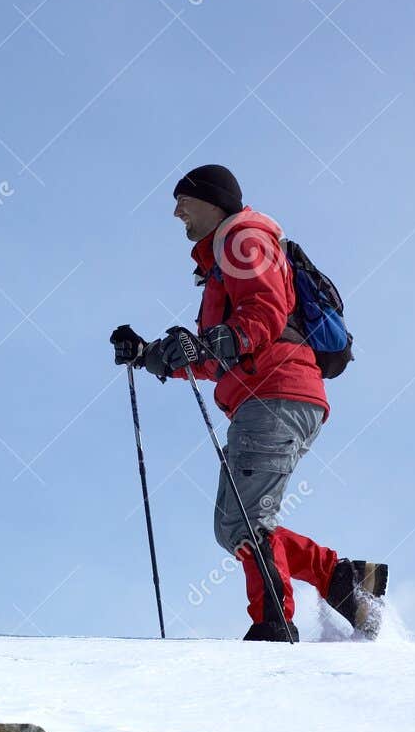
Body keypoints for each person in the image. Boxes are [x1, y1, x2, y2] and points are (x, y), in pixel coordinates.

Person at [110, 164, 388, 642]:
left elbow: (264, 314)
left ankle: (274, 625)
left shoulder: (242, 239)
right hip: (271, 392)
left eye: (185, 201)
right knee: (231, 526)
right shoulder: (221, 260)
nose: (177, 211)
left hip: (276, 391)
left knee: (246, 520)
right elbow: (216, 356)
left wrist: (214, 342)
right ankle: (344, 581)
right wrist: (152, 356)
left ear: (214, 201)